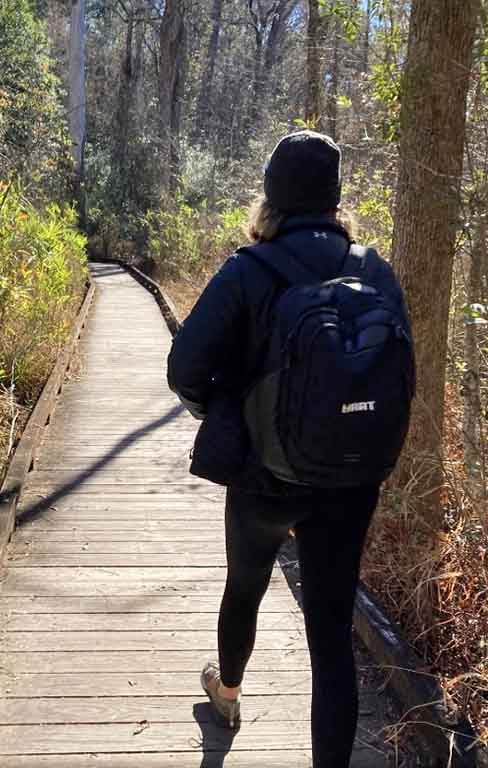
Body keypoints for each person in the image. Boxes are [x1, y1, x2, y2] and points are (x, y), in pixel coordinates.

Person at [167, 130, 414, 768]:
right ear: (335, 198)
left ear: (271, 196)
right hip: (351, 477)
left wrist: (227, 411)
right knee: (330, 631)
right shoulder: (373, 268)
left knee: (245, 585)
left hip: (264, 475)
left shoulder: (250, 269)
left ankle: (225, 696)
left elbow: (184, 368)